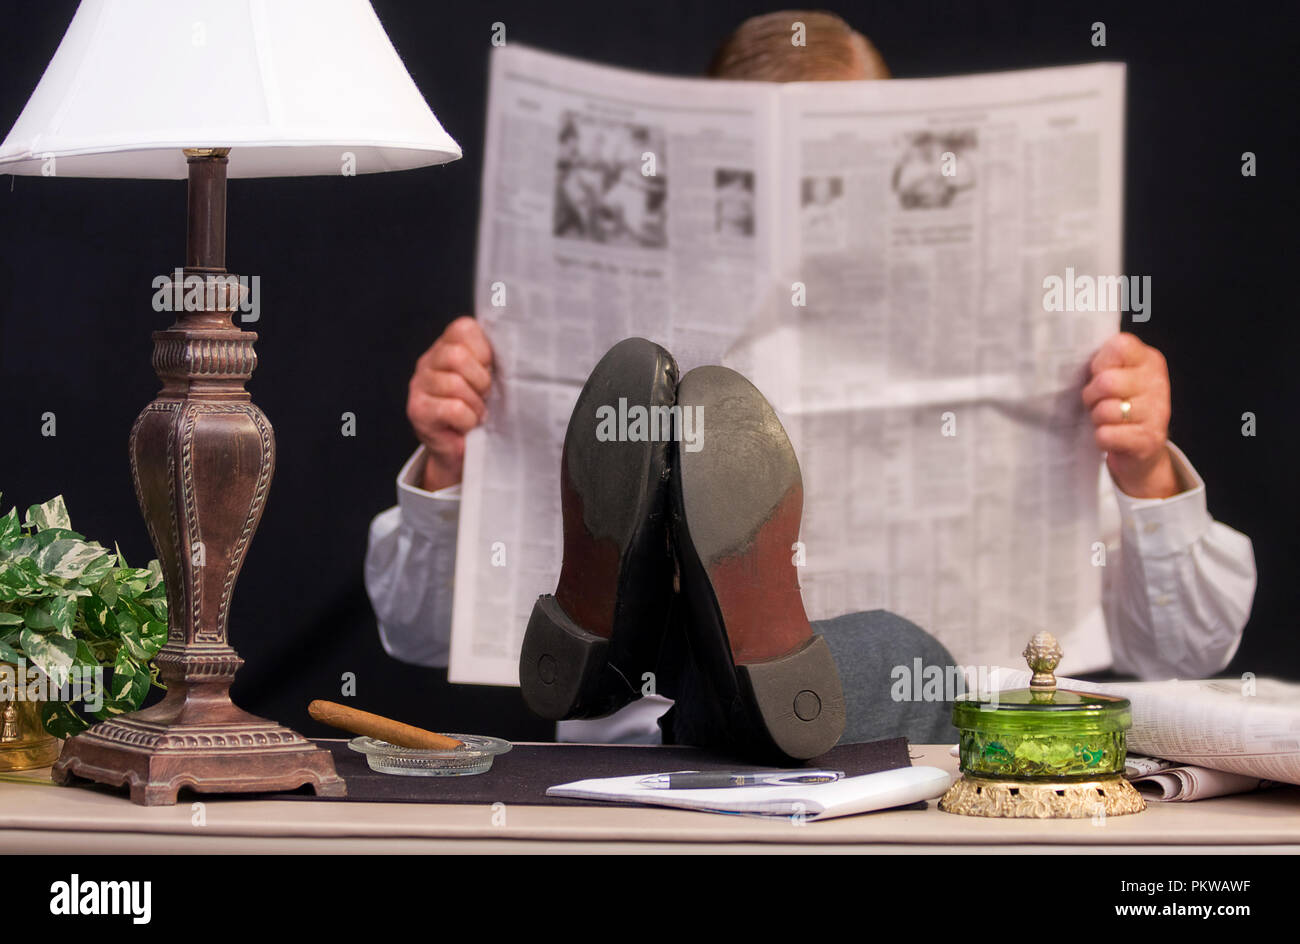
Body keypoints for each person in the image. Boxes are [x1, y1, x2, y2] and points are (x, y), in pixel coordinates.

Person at [366, 11, 1256, 745]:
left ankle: (659, 655)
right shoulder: (593, 358)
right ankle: (693, 660)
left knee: (904, 658)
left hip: (890, 763)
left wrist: (1145, 475)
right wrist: (445, 464)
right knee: (898, 657)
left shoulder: (1029, 336)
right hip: (664, 784)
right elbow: (415, 631)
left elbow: (1189, 646)